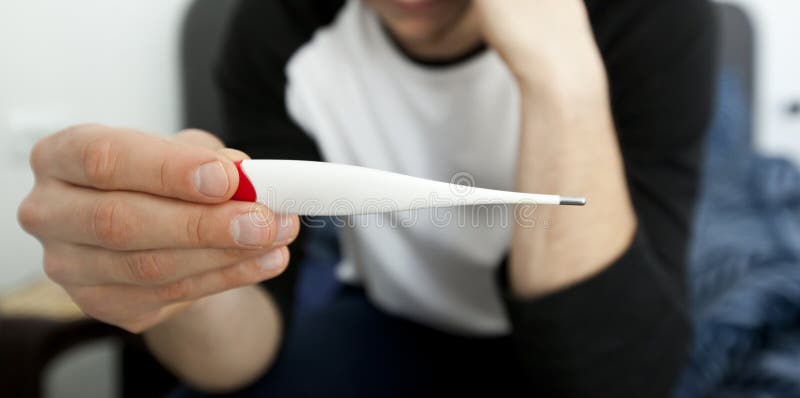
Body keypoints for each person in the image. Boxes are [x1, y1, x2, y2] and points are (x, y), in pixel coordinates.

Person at [17, 0, 716, 396]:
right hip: (389, 325)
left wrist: (559, 73)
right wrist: (175, 273)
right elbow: (240, 355)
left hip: (577, 350)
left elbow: (616, 381)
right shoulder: (278, 25)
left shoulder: (656, 20)